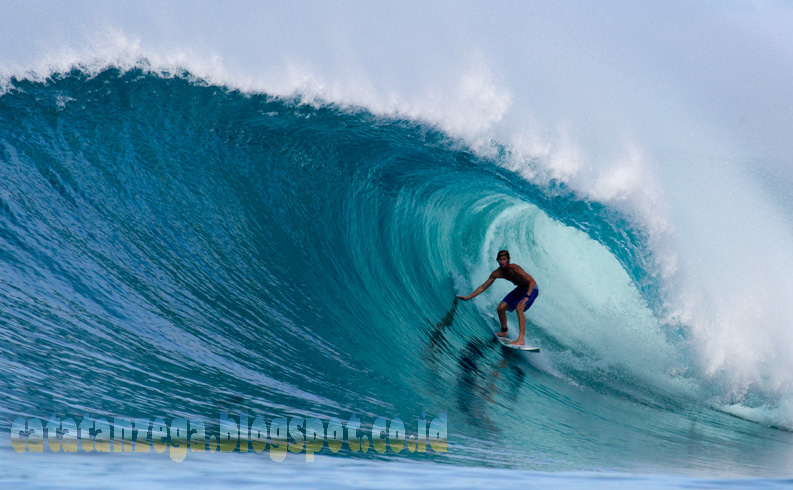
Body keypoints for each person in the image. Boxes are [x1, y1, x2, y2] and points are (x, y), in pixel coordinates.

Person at [456, 250, 538, 346]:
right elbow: (483, 287)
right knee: (500, 308)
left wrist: (527, 296)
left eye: (504, 259)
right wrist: (468, 297)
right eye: (500, 259)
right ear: (497, 260)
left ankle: (521, 339)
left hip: (531, 288)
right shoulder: (497, 273)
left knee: (519, 307)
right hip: (520, 289)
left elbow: (531, 281)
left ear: (508, 260)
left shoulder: (515, 269)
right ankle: (504, 331)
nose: (502, 261)